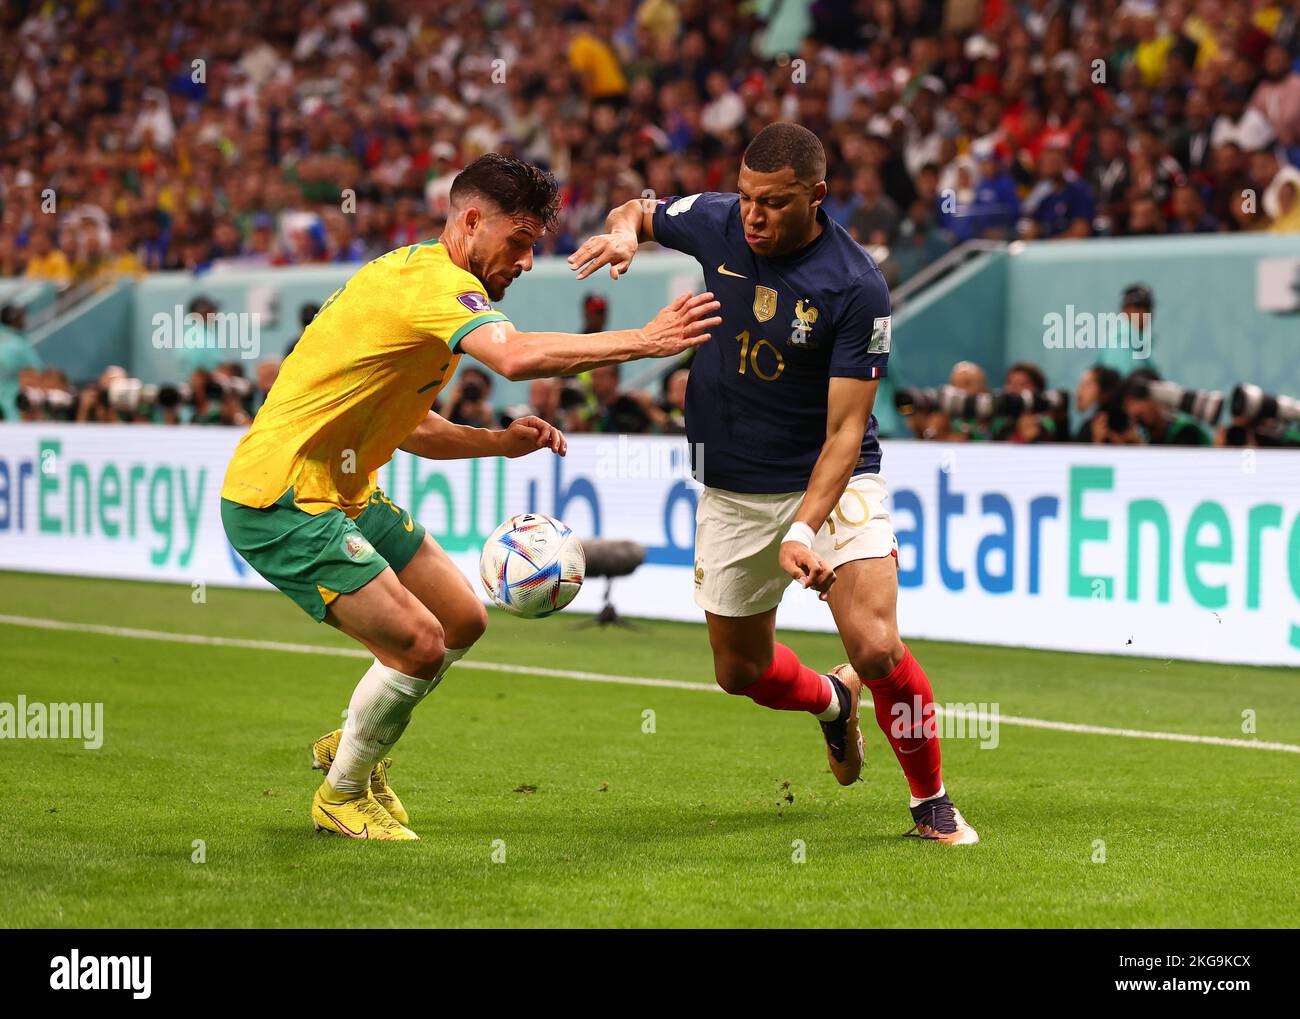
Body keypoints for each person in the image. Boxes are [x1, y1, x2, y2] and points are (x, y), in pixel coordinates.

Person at [220, 153, 720, 841]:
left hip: (345, 491)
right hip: (281, 497)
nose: (523, 261)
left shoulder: (423, 286)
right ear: (472, 221)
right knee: (421, 644)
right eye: (518, 243)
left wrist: (497, 440)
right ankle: (340, 796)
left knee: (461, 618)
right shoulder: (434, 285)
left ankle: (353, 743)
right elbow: (514, 357)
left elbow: (411, 424)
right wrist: (644, 340)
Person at [570, 123, 977, 844]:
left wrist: (802, 529)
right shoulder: (719, 220)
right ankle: (830, 701)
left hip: (832, 476)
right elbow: (638, 208)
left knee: (877, 644)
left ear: (817, 197)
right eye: (748, 198)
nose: (753, 216)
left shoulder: (858, 286)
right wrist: (628, 234)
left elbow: (847, 431)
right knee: (739, 671)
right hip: (732, 484)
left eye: (775, 203)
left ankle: (932, 802)